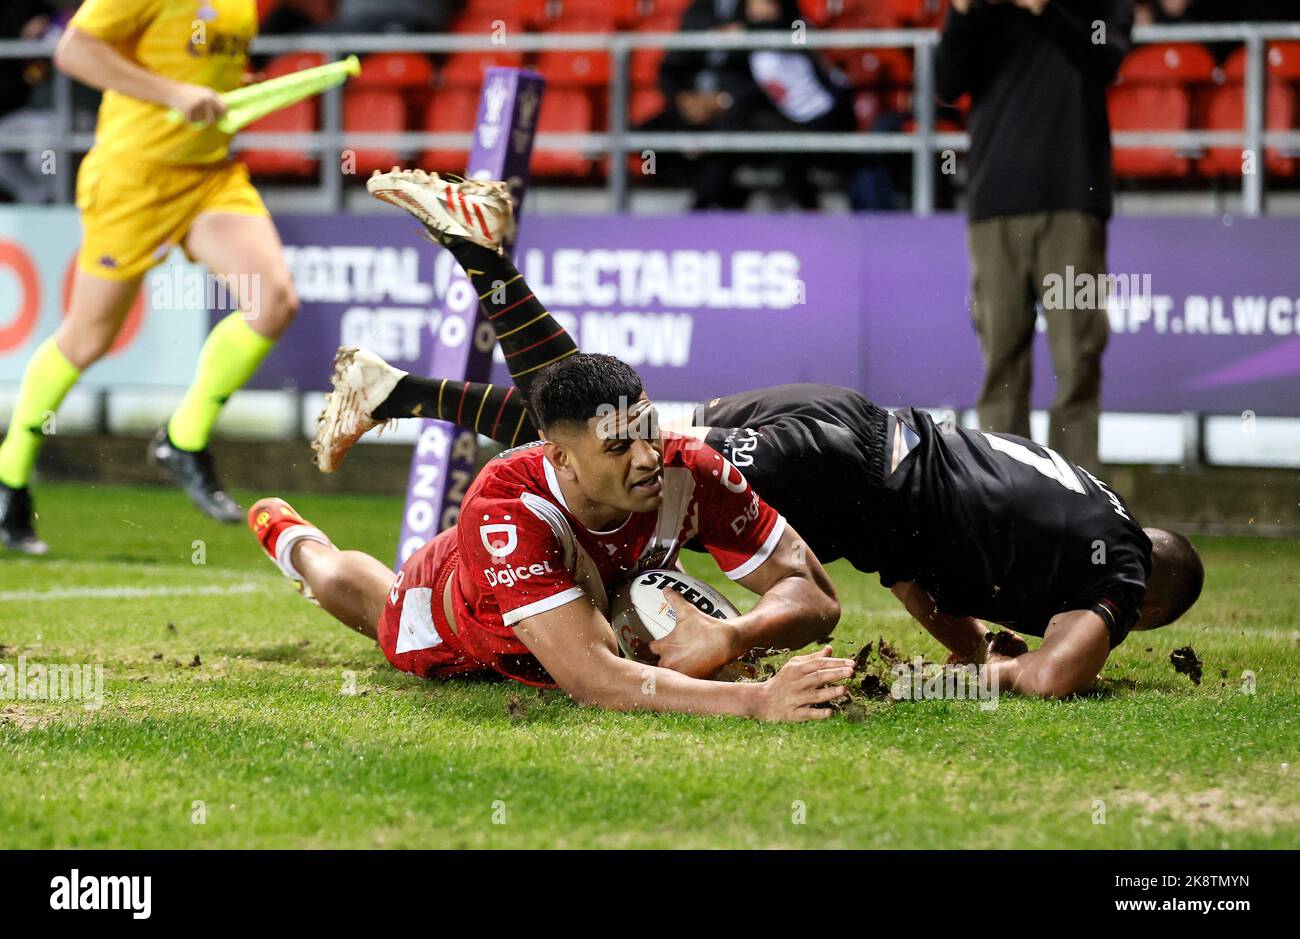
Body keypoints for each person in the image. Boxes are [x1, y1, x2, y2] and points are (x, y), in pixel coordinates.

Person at [317, 168, 1205, 700]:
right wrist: (987, 676)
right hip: (846, 471)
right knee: (623, 444)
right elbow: (1055, 675)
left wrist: (965, 650)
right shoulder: (1123, 566)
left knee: (619, 436)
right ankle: (482, 261)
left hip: (858, 430)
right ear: (1148, 601)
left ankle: (395, 392)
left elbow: (908, 564)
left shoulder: (1075, 504)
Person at [248, 209, 847, 721]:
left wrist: (732, 635)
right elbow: (594, 680)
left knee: (631, 603)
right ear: (558, 457)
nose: (646, 459)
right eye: (617, 447)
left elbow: (817, 597)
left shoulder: (688, 467)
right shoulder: (506, 510)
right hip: (453, 616)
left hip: (592, 597)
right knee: (367, 598)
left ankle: (405, 379)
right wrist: (755, 699)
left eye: (647, 431)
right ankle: (297, 544)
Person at [0, 0, 299, 553]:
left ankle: (183, 441)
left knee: (273, 301)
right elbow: (74, 51)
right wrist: (175, 94)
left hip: (210, 176)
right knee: (89, 336)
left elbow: (197, 63)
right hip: (134, 178)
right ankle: (9, 476)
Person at [936, 0, 1134, 470]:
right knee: (1001, 359)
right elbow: (947, 84)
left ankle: (1081, 499)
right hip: (995, 201)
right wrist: (963, 15)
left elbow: (1104, 58)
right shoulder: (984, 9)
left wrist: (1046, 9)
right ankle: (1005, 493)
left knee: (1077, 356)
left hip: (1073, 200)